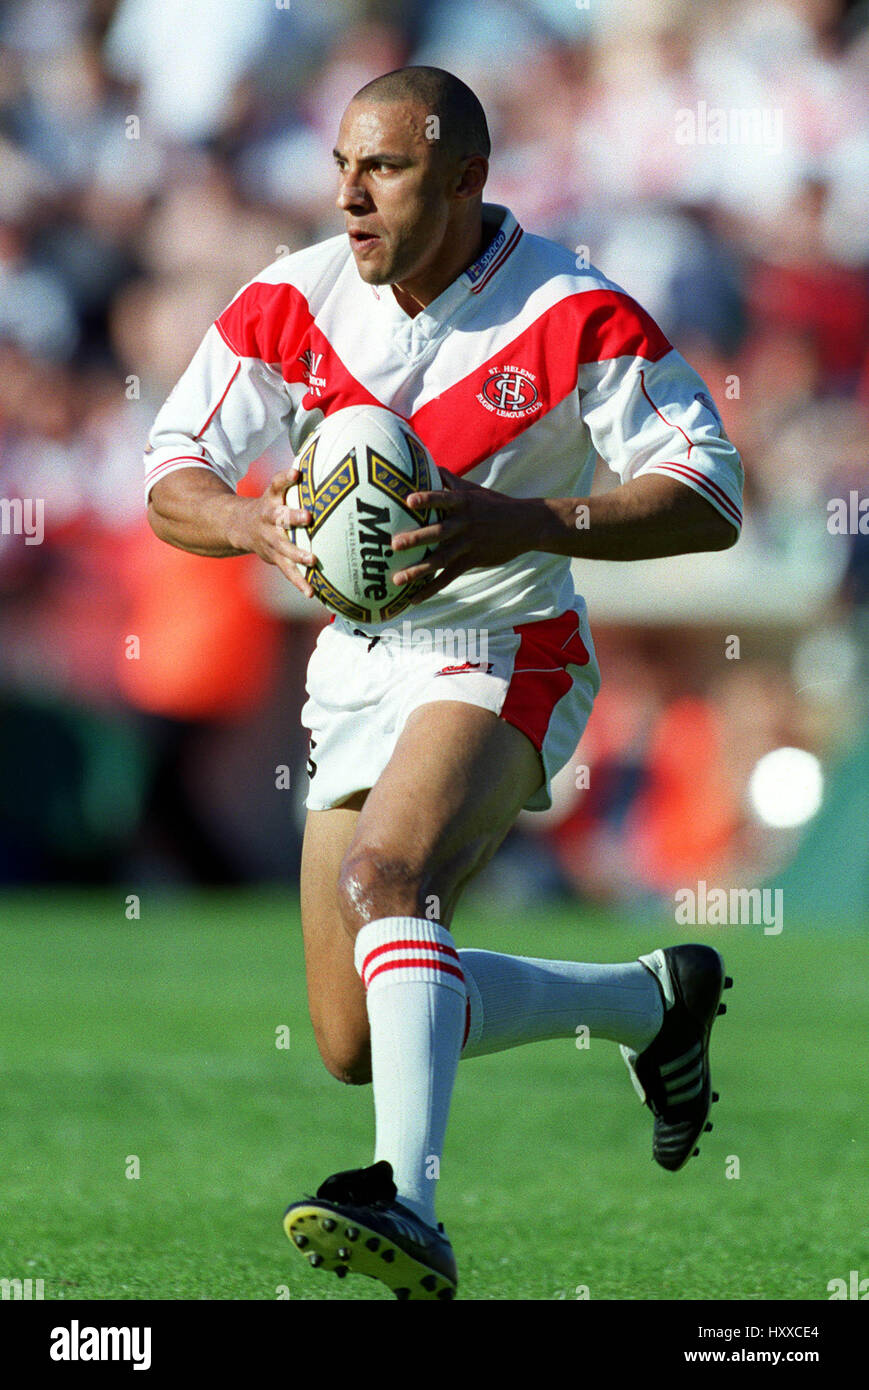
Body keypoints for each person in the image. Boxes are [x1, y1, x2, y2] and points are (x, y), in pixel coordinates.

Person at [145, 67, 741, 1301]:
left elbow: (710, 493)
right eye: (342, 169)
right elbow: (173, 470)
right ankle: (648, 1005)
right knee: (354, 1036)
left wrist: (519, 520)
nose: (352, 197)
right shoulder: (291, 297)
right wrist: (259, 529)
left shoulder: (573, 313)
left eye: (387, 169)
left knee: (387, 879)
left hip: (508, 646)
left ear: (465, 178)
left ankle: (406, 1206)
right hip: (358, 664)